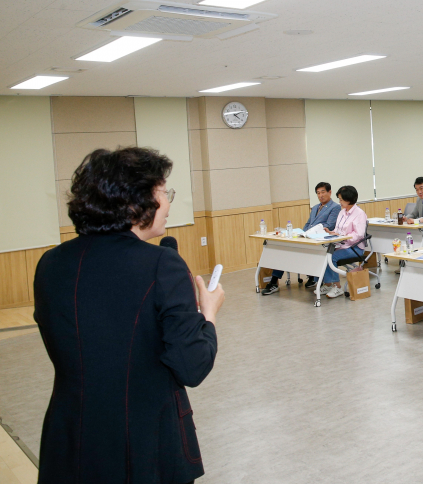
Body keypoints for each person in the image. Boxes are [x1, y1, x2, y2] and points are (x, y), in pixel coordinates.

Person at [34, 147, 222, 482]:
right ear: (138, 202)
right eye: (165, 192)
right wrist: (207, 314)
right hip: (144, 442)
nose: (169, 202)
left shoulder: (51, 263)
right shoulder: (161, 264)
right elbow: (192, 365)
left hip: (70, 439)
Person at [264, 182, 341, 291]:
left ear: (330, 192)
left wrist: (309, 233)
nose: (320, 195)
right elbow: (308, 223)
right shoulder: (315, 207)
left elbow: (329, 225)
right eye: (318, 193)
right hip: (308, 237)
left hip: (320, 240)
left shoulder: (335, 207)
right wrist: (302, 233)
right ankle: (274, 281)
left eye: (323, 192)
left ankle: (312, 277)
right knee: (284, 250)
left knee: (301, 252)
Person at [309, 185, 368, 299]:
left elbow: (359, 234)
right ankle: (327, 284)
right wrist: (331, 232)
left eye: (341, 199)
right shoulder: (342, 212)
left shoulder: (359, 214)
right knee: (322, 254)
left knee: (331, 257)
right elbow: (337, 230)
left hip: (354, 248)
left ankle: (337, 287)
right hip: (341, 244)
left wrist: (343, 237)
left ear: (348, 200)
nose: (339, 202)